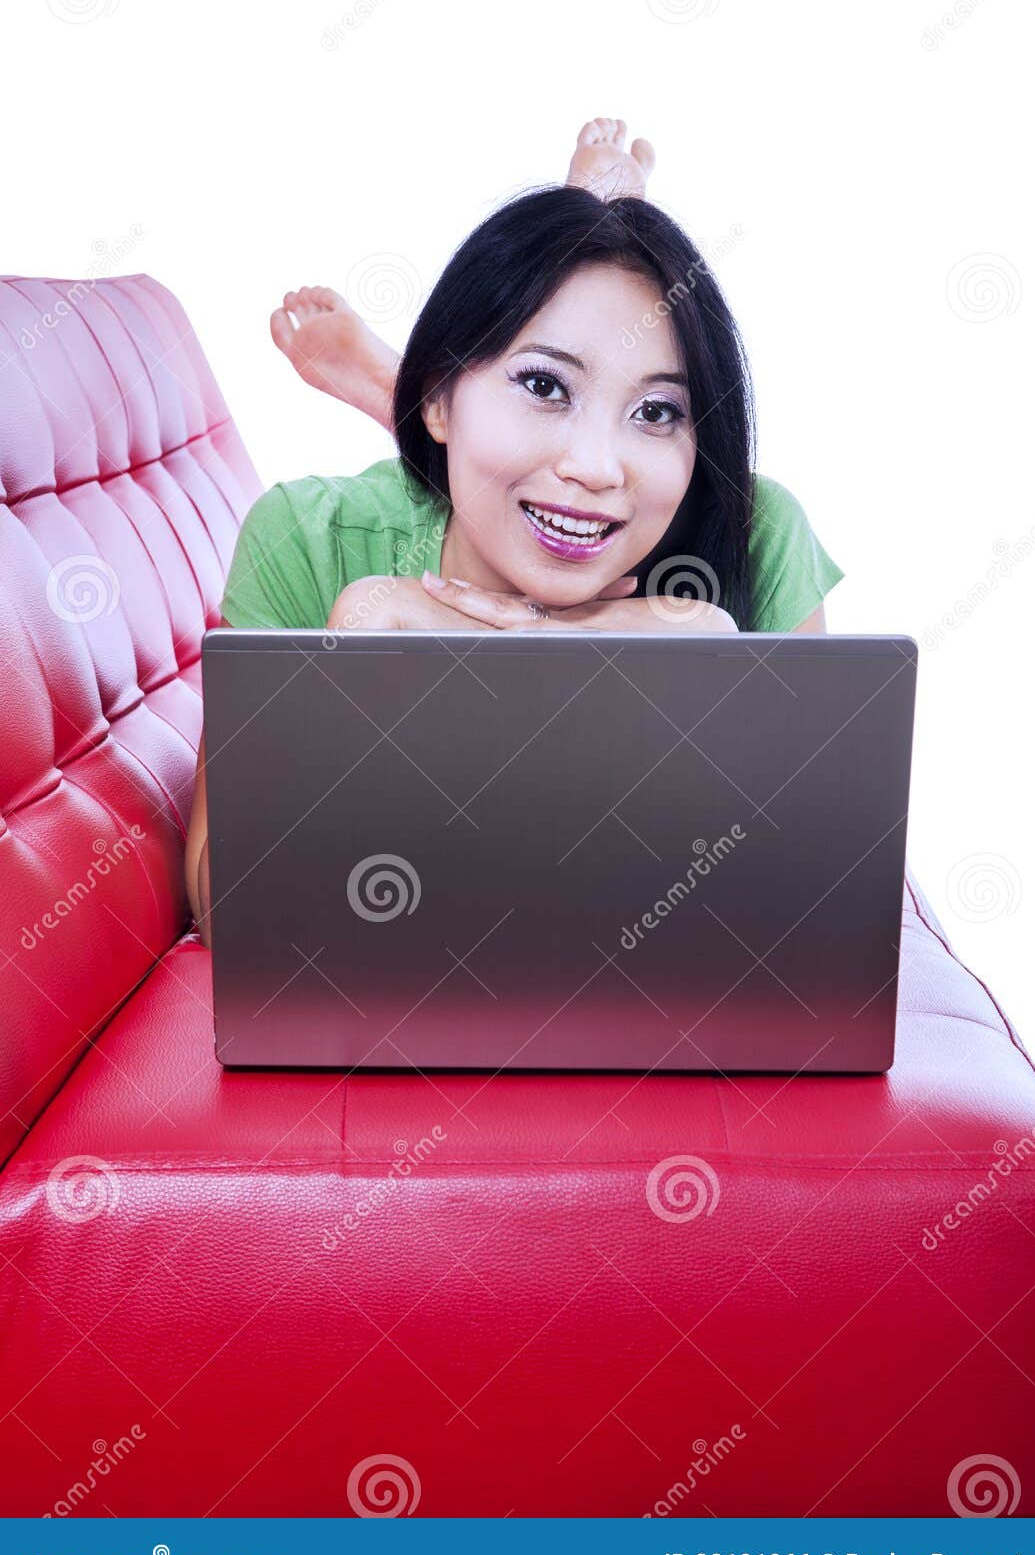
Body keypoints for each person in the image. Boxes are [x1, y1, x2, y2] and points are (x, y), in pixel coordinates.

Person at [185, 118, 843, 941]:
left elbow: (816, 903)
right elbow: (227, 908)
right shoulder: (311, 538)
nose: (598, 466)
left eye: (657, 411)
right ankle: (579, 244)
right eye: (543, 384)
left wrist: (702, 659)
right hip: (400, 1026)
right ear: (437, 396)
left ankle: (582, 247)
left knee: (571, 363)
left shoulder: (753, 532)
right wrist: (354, 656)